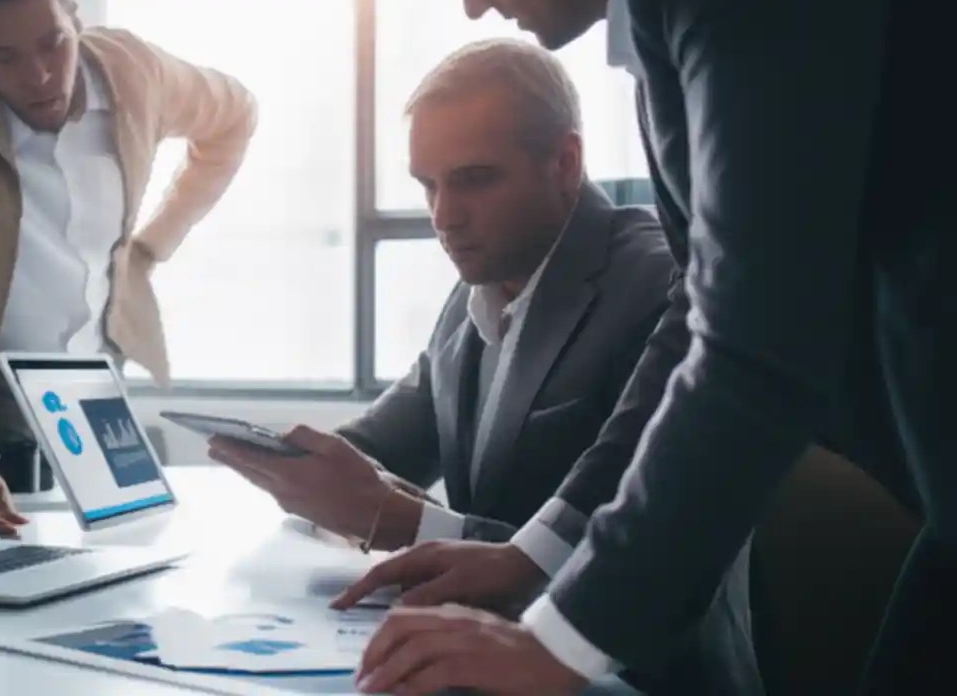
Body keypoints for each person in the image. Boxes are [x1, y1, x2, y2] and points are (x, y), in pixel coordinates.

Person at [341, 0, 953, 694]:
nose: (473, 1)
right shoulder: (667, 24)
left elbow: (753, 345)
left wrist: (560, 642)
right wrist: (536, 558)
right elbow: (703, 316)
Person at [210, 39, 755, 691]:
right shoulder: (475, 294)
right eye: (428, 186)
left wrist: (399, 519)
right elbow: (378, 445)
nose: (443, 217)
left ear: (566, 162)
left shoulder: (659, 284)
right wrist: (305, 474)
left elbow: (640, 560)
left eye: (474, 180)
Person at [0, 0, 257, 525]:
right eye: (3, 57)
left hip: (100, 381)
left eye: (53, 43)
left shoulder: (134, 72)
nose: (37, 76)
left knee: (128, 556)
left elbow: (235, 115)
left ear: (74, 17)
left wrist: (153, 245)